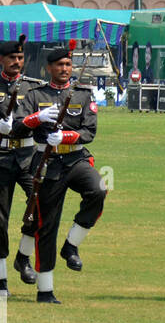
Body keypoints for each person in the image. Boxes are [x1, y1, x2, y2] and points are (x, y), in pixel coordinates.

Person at [14, 46, 107, 303]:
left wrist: (66, 136)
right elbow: (19, 126)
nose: (64, 69)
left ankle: (72, 245)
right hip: (47, 160)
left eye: (68, 64)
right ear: (49, 68)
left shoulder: (83, 94)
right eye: (59, 65)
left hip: (75, 158)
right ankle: (45, 289)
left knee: (98, 189)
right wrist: (37, 118)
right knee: (47, 224)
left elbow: (89, 131)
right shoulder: (35, 95)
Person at [0, 39, 43, 294]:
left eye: (20, 58)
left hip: (27, 157)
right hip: (0, 156)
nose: (17, 63)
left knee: (41, 205)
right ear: (2, 59)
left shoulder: (33, 87)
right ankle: (0, 280)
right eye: (11, 59)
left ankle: (23, 256)